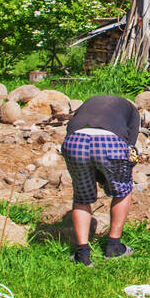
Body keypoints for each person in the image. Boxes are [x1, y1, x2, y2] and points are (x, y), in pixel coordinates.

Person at [61, 94, 140, 266]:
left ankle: (82, 254)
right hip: (110, 140)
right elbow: (130, 147)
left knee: (81, 197)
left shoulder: (87, 103)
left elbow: (71, 130)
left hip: (75, 141)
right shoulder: (133, 111)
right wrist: (111, 179)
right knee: (122, 191)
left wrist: (97, 175)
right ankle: (114, 247)